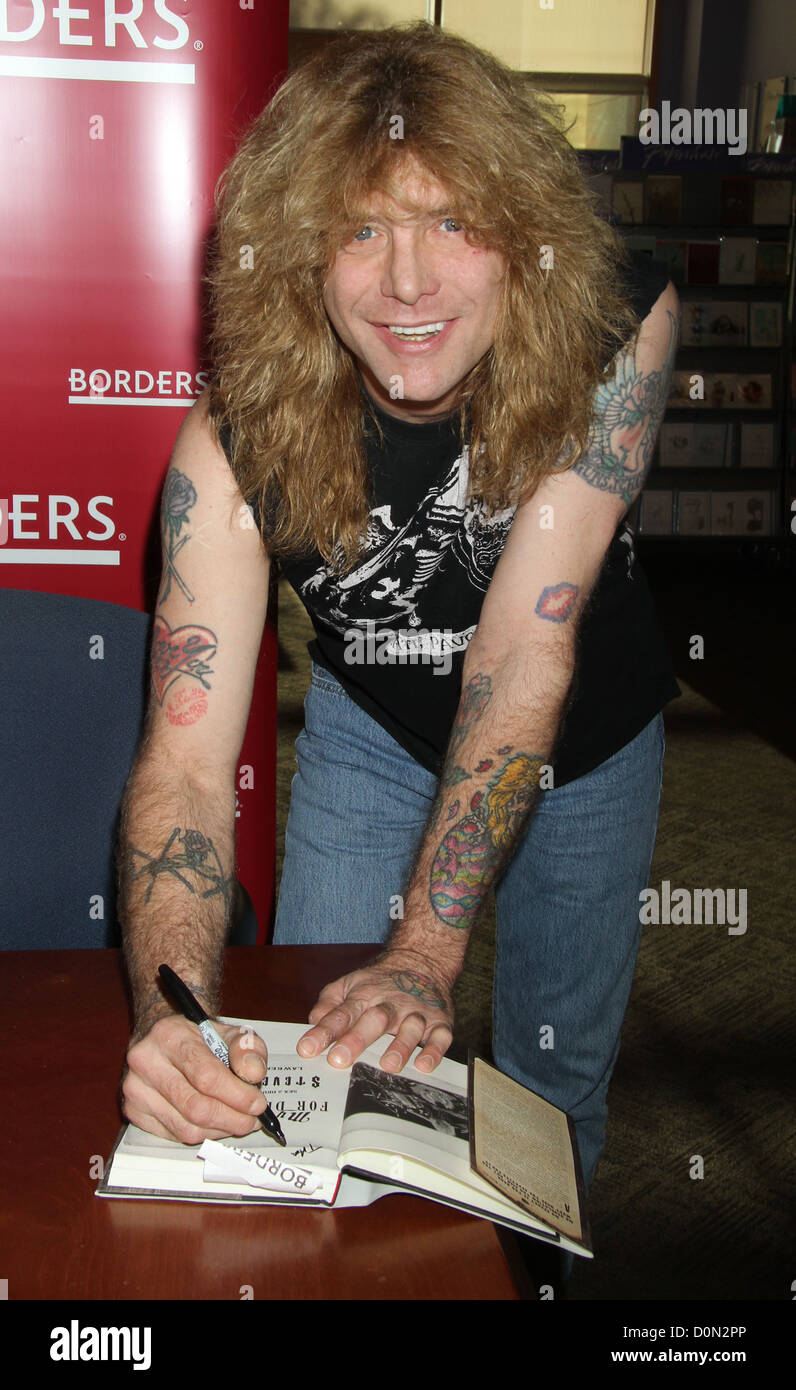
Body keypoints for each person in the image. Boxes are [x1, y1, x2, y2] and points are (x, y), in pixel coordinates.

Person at [119, 22, 680, 1233]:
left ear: (522, 237)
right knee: (320, 1061)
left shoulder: (609, 331)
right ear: (298, 257)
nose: (409, 284)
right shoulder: (235, 439)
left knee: (545, 1093)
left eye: (452, 222)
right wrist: (173, 1014)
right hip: (374, 730)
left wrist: (427, 953)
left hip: (586, 738)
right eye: (360, 230)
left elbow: (521, 651)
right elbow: (185, 762)